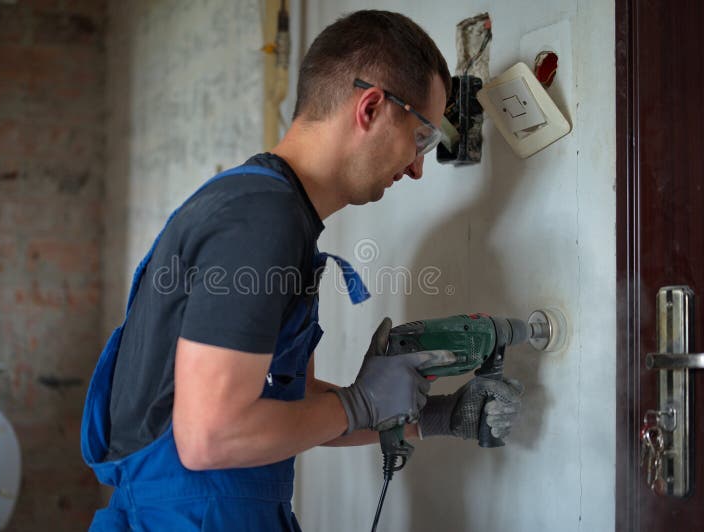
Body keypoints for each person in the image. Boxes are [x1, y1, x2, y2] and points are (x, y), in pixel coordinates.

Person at [81, 9, 523, 531]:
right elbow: (210, 437)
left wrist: (432, 417)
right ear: (371, 108)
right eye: (421, 136)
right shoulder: (261, 220)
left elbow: (294, 408)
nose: (417, 167)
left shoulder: (271, 212)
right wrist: (361, 402)